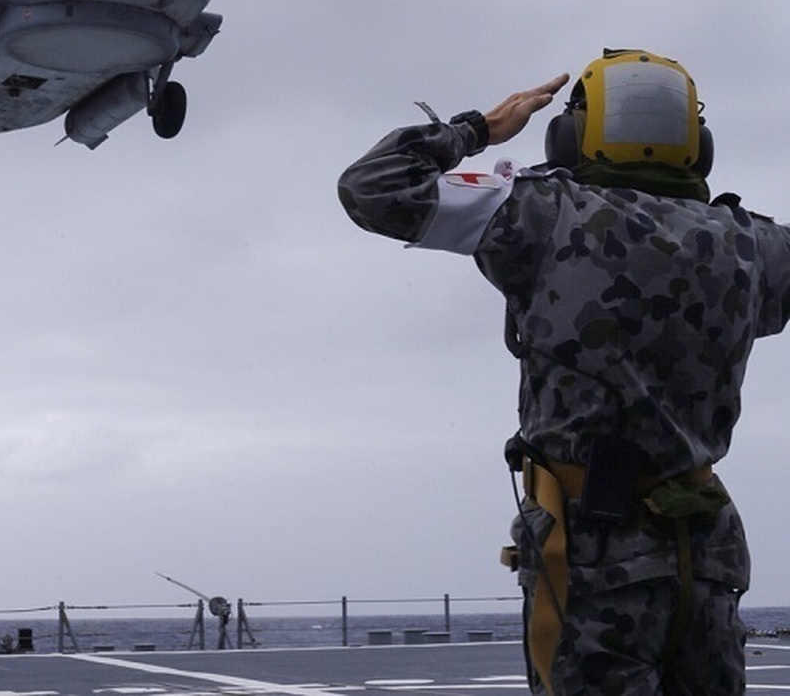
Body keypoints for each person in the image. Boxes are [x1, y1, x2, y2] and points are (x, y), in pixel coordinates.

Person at [337, 48, 790, 696]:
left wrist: (478, 128)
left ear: (573, 136)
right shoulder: (756, 246)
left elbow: (372, 187)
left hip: (593, 562)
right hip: (709, 561)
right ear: (700, 146)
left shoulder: (539, 214)